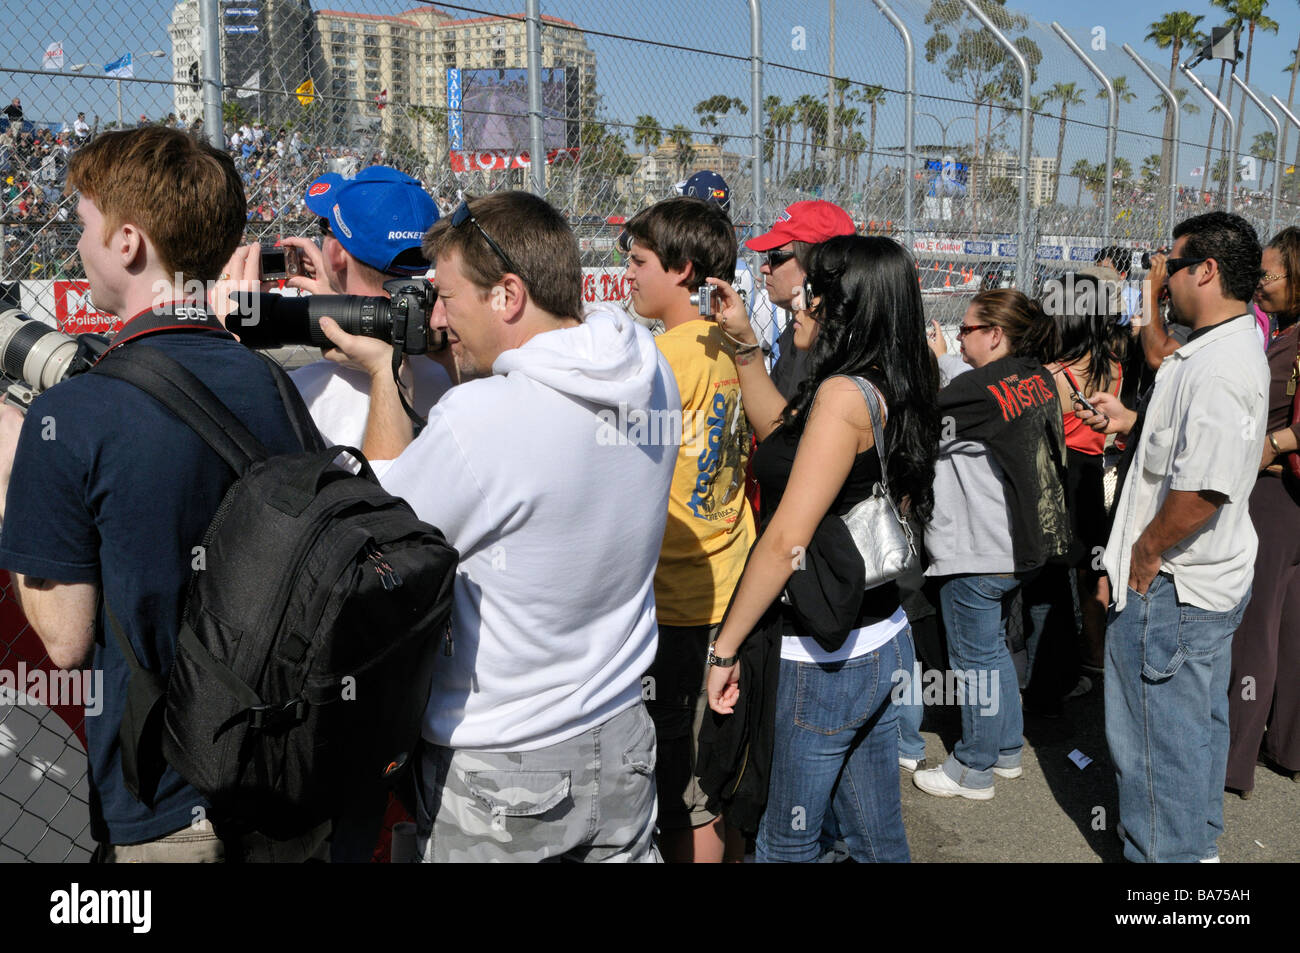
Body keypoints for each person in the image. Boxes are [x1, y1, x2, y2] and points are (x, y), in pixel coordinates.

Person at [319, 191, 679, 862]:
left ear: (508, 294)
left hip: (506, 764)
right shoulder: (647, 367)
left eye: (448, 298)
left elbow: (378, 539)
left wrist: (382, 371)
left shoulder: (480, 420)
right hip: (622, 733)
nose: (438, 316)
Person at [0, 126, 319, 861]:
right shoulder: (273, 383)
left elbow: (64, 636)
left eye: (82, 222)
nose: (76, 240)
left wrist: (13, 466)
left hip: (167, 804)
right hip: (281, 778)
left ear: (129, 243)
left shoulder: (69, 417)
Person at [704, 235, 939, 862]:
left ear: (846, 306)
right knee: (872, 836)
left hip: (828, 658)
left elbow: (785, 541)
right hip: (880, 636)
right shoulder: (882, 378)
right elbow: (784, 440)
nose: (799, 304)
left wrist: (722, 647)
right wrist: (746, 349)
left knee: (786, 842)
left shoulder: (841, 397)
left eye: (815, 291)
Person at [1075, 211, 1268, 862]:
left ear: (1206, 271)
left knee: (1157, 749)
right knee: (1196, 731)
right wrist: (1131, 418)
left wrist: (1144, 549)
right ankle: (1196, 848)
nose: (1165, 281)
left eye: (1174, 267)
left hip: (1175, 589)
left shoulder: (1221, 365)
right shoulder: (1218, 344)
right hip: (1202, 584)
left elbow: (1202, 491)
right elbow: (1189, 443)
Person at [620, 196, 755, 863]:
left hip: (680, 600)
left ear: (684, 269)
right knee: (710, 775)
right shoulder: (729, 341)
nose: (628, 273)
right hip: (730, 579)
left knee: (682, 788)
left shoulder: (664, 361)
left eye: (640, 260)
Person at [914, 290, 1070, 799]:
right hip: (1017, 544)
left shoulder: (977, 387)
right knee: (994, 652)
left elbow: (918, 423)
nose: (958, 338)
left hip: (974, 547)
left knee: (972, 660)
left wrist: (936, 367)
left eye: (965, 330)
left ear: (995, 335)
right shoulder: (1034, 375)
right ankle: (1004, 749)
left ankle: (973, 766)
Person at [219, 165, 451, 448]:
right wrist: (332, 302)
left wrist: (225, 331)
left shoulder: (299, 396)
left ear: (336, 252)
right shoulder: (456, 367)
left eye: (325, 230)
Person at [1020, 272, 1126, 714]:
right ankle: (1095, 657)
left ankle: (1053, 669)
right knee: (1090, 569)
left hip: (1056, 479)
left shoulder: (1051, 375)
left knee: (1049, 579)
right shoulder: (1112, 365)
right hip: (1089, 476)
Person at [1225, 225, 1300, 796]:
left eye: (1268, 273)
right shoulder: (1285, 329)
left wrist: (1273, 445)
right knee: (1288, 624)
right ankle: (1286, 746)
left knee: (1255, 629)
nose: (1258, 283)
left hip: (1275, 495)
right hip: (1287, 498)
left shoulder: (1292, 340)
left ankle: (1232, 761)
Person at [742, 200, 856, 399]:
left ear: (817, 263)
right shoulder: (802, 328)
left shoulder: (825, 341)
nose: (764, 267)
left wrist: (744, 344)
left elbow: (778, 425)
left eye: (774, 256)